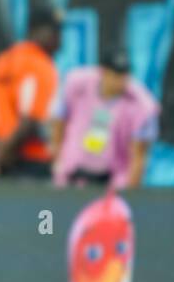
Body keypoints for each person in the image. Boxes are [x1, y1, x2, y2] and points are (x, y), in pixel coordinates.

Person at [51, 49, 159, 189]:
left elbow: (138, 156)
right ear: (103, 72)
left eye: (124, 76)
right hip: (71, 175)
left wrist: (130, 195)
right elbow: (59, 121)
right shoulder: (77, 83)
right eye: (115, 75)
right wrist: (57, 160)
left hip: (112, 182)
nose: (120, 82)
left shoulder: (142, 104)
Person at [0, 6, 63, 179]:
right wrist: (3, 153)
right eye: (54, 32)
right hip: (31, 161)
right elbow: (31, 118)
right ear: (35, 31)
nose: (58, 40)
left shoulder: (1, 61)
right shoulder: (41, 65)